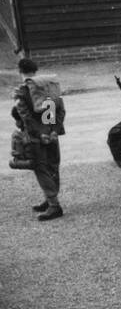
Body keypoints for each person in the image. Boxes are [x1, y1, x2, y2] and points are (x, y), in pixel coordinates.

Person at [12, 58, 65, 220]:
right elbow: (60, 110)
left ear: (20, 71)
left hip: (36, 137)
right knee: (52, 165)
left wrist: (38, 134)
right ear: (36, 71)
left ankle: (54, 205)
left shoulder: (22, 91)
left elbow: (26, 118)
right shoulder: (48, 87)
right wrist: (53, 131)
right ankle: (50, 200)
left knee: (40, 168)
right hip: (51, 132)